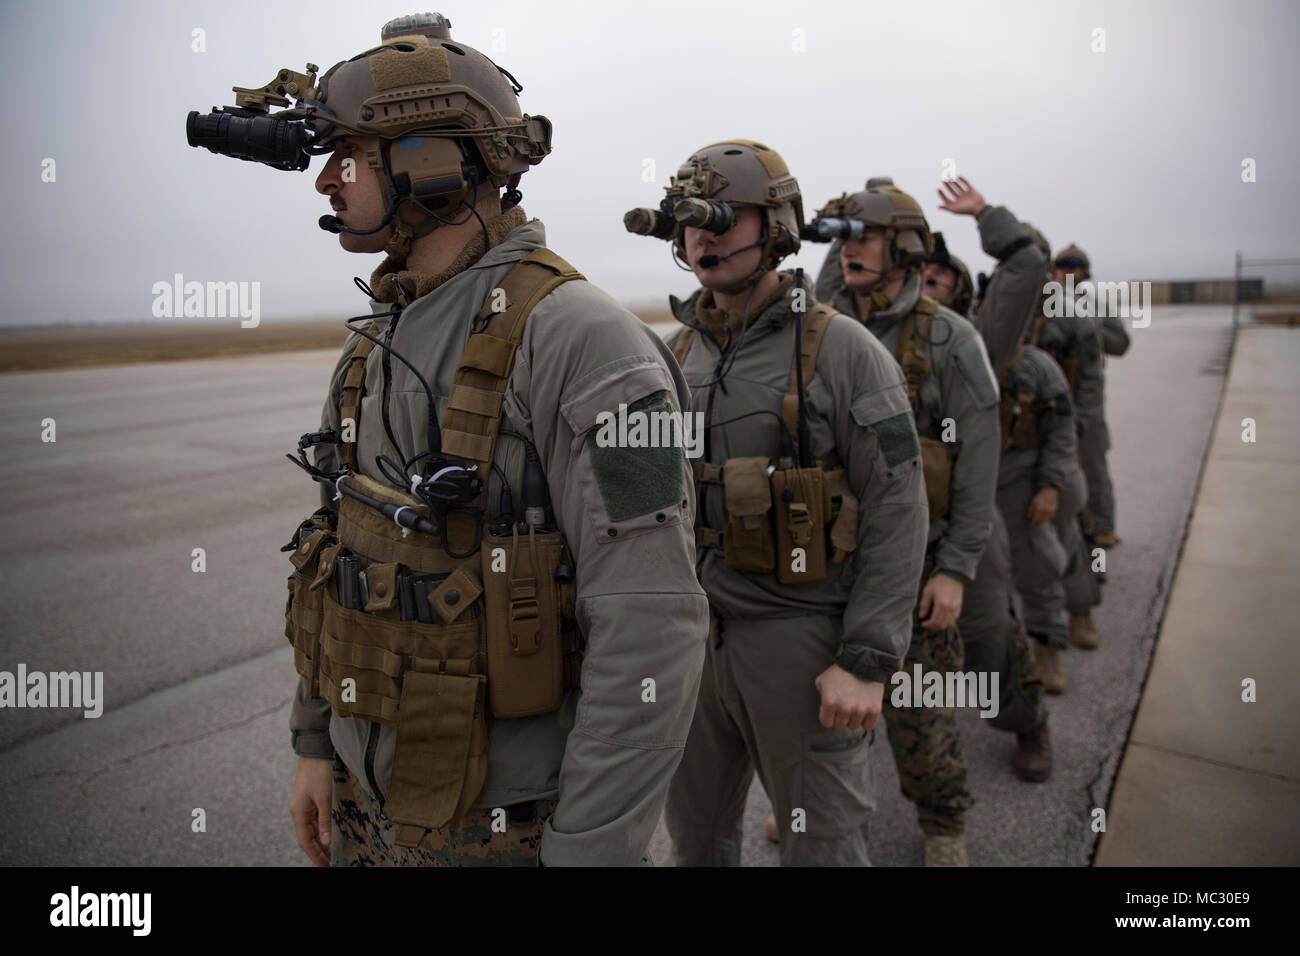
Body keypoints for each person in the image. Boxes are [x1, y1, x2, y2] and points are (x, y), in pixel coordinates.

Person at [264, 13, 710, 866]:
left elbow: (653, 620)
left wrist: (594, 849)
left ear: (432, 162)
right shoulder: (373, 342)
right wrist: (316, 745)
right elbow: (337, 560)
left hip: (509, 819)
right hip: (371, 793)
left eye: (349, 153)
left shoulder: (590, 343)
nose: (327, 179)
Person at [627, 140, 928, 866]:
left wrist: (866, 658)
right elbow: (636, 506)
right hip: (693, 647)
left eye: (725, 217)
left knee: (822, 846)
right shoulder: (673, 358)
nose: (705, 236)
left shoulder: (847, 352)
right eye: (691, 221)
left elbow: (899, 505)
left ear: (780, 227)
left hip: (802, 640)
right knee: (695, 842)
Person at [811, 182, 1026, 866]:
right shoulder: (813, 326)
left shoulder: (949, 339)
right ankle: (809, 808)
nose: (849, 250)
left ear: (904, 248)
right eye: (843, 239)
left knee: (920, 709)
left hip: (918, 561)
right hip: (825, 560)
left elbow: (976, 466)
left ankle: (942, 822)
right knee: (811, 704)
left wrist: (957, 568)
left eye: (864, 237)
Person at [1052, 244, 1128, 552]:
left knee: (1093, 465)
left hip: (1088, 399)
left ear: (1084, 273)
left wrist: (1090, 327)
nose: (1068, 273)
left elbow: (1121, 343)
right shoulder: (1045, 304)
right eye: (1062, 266)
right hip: (1053, 398)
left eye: (1074, 268)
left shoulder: (1095, 305)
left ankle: (1102, 526)